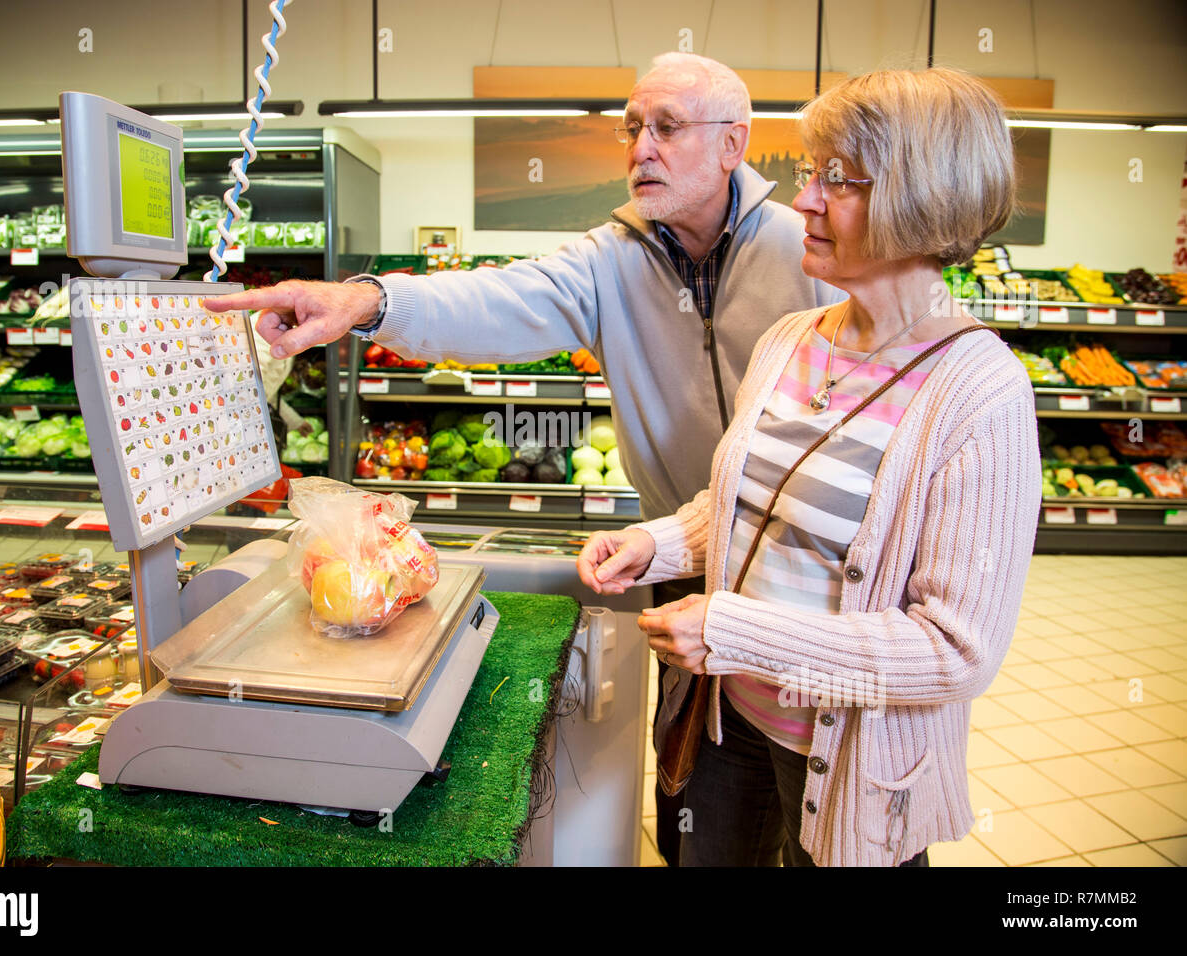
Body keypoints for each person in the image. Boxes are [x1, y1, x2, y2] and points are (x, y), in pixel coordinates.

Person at [206, 52, 842, 865]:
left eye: (668, 128)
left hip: (814, 596)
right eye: (632, 128)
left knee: (826, 825)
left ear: (733, 145)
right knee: (705, 812)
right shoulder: (615, 257)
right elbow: (499, 297)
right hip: (690, 574)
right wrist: (367, 301)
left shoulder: (806, 252)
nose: (640, 147)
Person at [576, 67, 1041, 867]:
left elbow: (957, 650)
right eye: (808, 174)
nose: (805, 203)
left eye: (838, 180)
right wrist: (660, 543)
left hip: (849, 759)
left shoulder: (979, 391)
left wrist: (733, 631)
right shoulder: (794, 337)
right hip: (729, 728)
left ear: (921, 197)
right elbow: (750, 504)